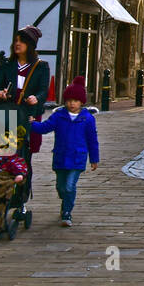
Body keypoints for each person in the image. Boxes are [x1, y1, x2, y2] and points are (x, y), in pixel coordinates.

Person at [0, 26, 52, 199]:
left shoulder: (41, 67)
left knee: (22, 155)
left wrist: (36, 98)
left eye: (21, 41)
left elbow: (43, 90)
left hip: (26, 116)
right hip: (5, 115)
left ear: (30, 45)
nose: (17, 44)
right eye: (15, 40)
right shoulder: (7, 66)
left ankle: (20, 195)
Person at [27, 76, 99, 226]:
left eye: (75, 100)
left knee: (69, 186)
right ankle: (65, 201)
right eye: (69, 100)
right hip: (61, 156)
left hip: (77, 158)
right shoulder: (59, 116)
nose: (72, 103)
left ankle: (67, 212)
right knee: (60, 186)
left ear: (81, 102)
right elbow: (45, 127)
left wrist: (94, 158)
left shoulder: (87, 119)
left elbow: (92, 140)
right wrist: (32, 124)